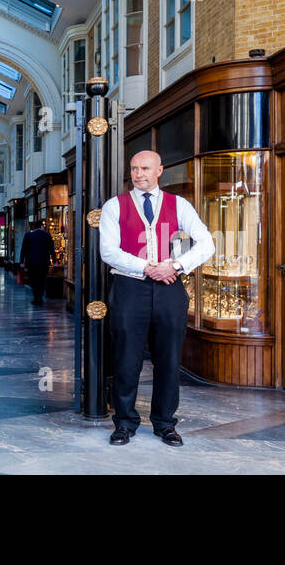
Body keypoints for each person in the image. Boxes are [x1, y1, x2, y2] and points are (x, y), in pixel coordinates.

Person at [99, 149, 214, 447]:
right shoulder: (115, 206)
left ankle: (165, 423)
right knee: (126, 359)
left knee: (169, 359)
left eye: (145, 168)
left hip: (169, 290)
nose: (139, 174)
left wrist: (174, 266)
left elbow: (207, 244)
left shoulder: (179, 205)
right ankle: (124, 423)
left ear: (160, 170)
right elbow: (108, 252)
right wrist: (150, 268)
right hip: (129, 288)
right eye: (135, 169)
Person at [19, 218, 56, 305]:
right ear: (41, 226)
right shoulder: (47, 235)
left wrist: (21, 261)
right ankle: (40, 296)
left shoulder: (28, 235)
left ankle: (36, 297)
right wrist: (54, 261)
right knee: (42, 280)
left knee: (33, 280)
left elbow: (23, 249)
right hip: (43, 262)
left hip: (31, 262)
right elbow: (52, 249)